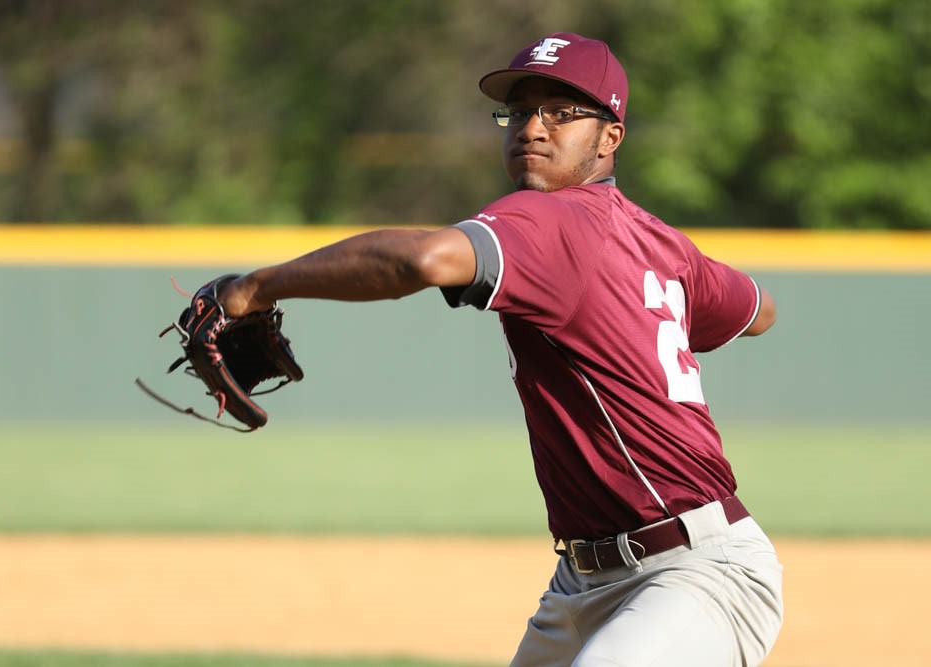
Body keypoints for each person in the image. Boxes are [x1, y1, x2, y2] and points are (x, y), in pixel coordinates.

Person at [220, 32, 783, 667]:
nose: (533, 128)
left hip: (692, 576)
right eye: (520, 112)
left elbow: (424, 259)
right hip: (585, 581)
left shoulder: (554, 221)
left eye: (562, 112)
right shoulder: (657, 240)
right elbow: (758, 311)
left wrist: (254, 287)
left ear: (610, 137)